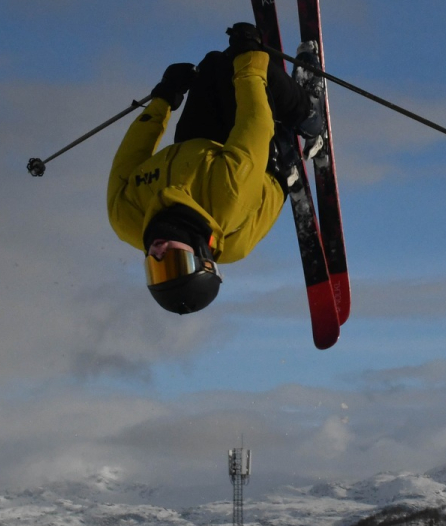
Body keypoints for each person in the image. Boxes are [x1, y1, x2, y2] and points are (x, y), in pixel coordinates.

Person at [107, 23, 311, 314]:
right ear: (202, 256)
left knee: (215, 64)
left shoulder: (125, 216)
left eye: (155, 269)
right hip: (263, 165)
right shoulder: (228, 198)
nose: (159, 253)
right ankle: (307, 116)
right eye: (175, 263)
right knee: (250, 71)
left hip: (199, 152)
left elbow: (129, 155)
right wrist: (249, 58)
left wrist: (164, 98)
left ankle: (238, 67)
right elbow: (254, 121)